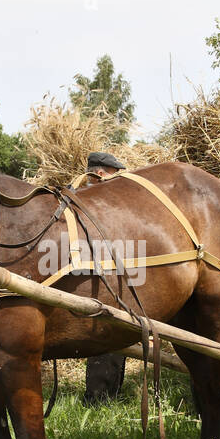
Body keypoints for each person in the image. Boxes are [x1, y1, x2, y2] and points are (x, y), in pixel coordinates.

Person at [81, 152, 129, 404]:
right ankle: (98, 398)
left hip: (106, 275)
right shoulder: (89, 200)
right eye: (114, 174)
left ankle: (107, 395)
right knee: (104, 332)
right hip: (92, 279)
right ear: (101, 173)